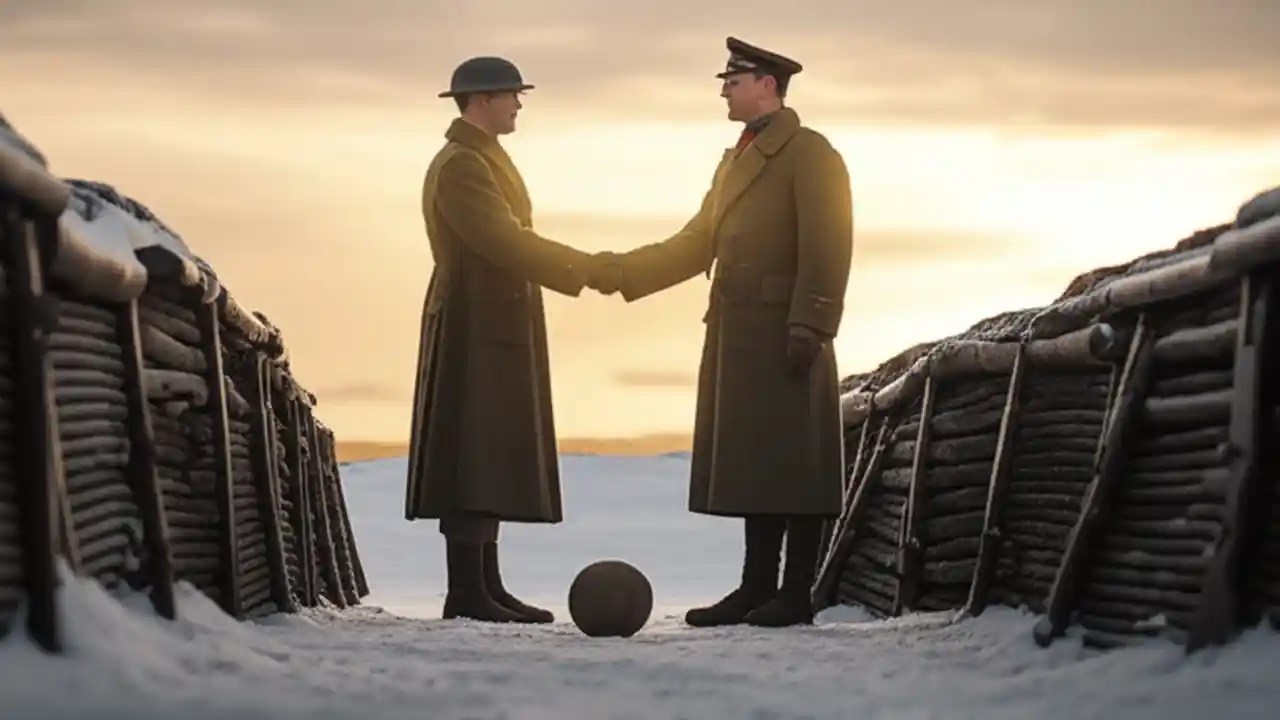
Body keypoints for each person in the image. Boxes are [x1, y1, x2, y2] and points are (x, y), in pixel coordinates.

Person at [589, 37, 854, 627]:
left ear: (767, 85)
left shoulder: (811, 154)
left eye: (733, 81)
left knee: (798, 464)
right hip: (737, 333)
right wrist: (618, 272)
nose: (723, 91)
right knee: (757, 463)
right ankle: (755, 588)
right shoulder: (736, 159)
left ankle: (795, 594)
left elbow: (829, 242)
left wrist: (810, 322)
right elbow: (695, 242)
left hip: (788, 330)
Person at [405, 56, 597, 623]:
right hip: (474, 321)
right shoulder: (463, 164)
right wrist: (584, 269)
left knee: (486, 450)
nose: (518, 105)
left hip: (490, 319)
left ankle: (486, 586)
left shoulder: (478, 157)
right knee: (471, 450)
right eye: (512, 95)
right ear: (484, 100)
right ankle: (466, 593)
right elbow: (502, 239)